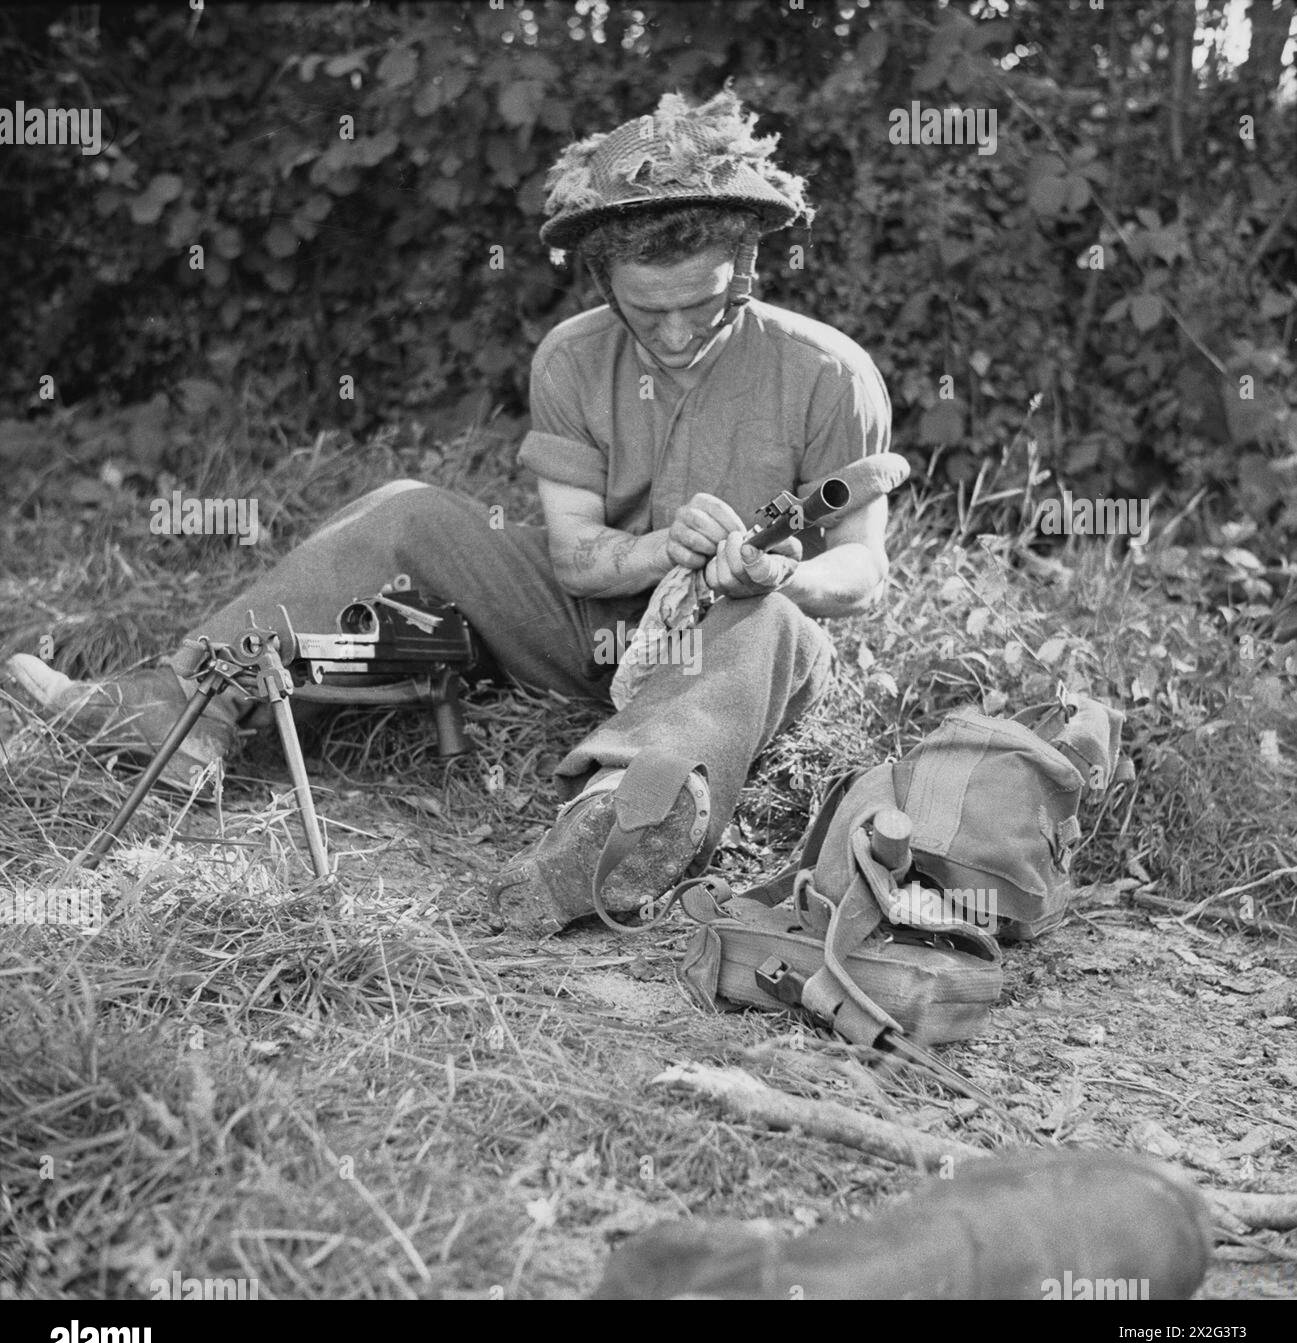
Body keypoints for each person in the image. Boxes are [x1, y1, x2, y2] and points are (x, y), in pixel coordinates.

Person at [5, 89, 905, 936]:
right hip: (583, 628)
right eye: (645, 310)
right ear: (599, 280)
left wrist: (779, 572)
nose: (673, 336)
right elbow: (581, 559)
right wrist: (661, 551)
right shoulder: (569, 359)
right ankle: (174, 706)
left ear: (747, 262)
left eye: (703, 306)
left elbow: (863, 570)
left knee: (765, 620)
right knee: (408, 508)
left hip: (734, 652)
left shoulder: (827, 371)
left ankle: (621, 824)